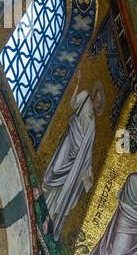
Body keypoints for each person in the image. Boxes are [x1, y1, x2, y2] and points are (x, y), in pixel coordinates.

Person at [40, 80, 105, 239]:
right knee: (55, 170)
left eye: (100, 102)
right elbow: (72, 103)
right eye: (97, 98)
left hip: (77, 160)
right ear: (94, 94)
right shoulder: (84, 97)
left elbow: (88, 150)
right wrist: (77, 83)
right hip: (70, 143)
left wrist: (88, 170)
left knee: (66, 187)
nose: (98, 102)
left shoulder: (94, 125)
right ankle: (41, 194)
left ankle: (50, 214)